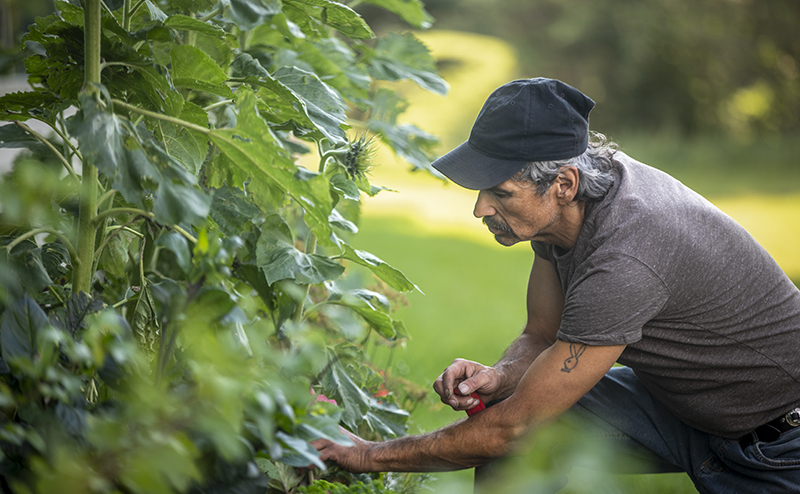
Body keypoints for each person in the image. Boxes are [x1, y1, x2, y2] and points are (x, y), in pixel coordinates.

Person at [312, 78, 800, 493]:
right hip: (687, 406)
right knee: (511, 403)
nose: (480, 208)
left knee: (513, 425)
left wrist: (367, 455)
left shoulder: (625, 256)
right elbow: (543, 335)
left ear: (563, 184)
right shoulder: (565, 213)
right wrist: (500, 375)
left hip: (776, 440)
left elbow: (514, 428)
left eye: (500, 192)